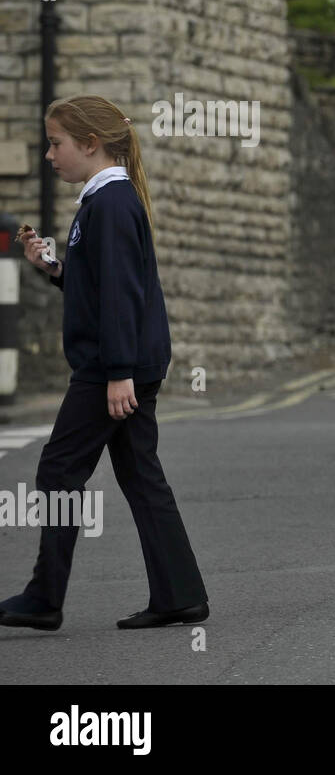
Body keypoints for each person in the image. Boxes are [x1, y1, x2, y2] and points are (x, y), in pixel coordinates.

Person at [0, 96, 208, 632]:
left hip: (111, 369)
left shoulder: (110, 204)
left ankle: (44, 598)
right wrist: (52, 268)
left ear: (90, 144)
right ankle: (179, 594)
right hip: (128, 362)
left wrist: (117, 372)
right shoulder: (104, 201)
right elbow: (100, 287)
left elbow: (121, 295)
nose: (49, 155)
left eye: (56, 143)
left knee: (59, 468)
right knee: (141, 475)